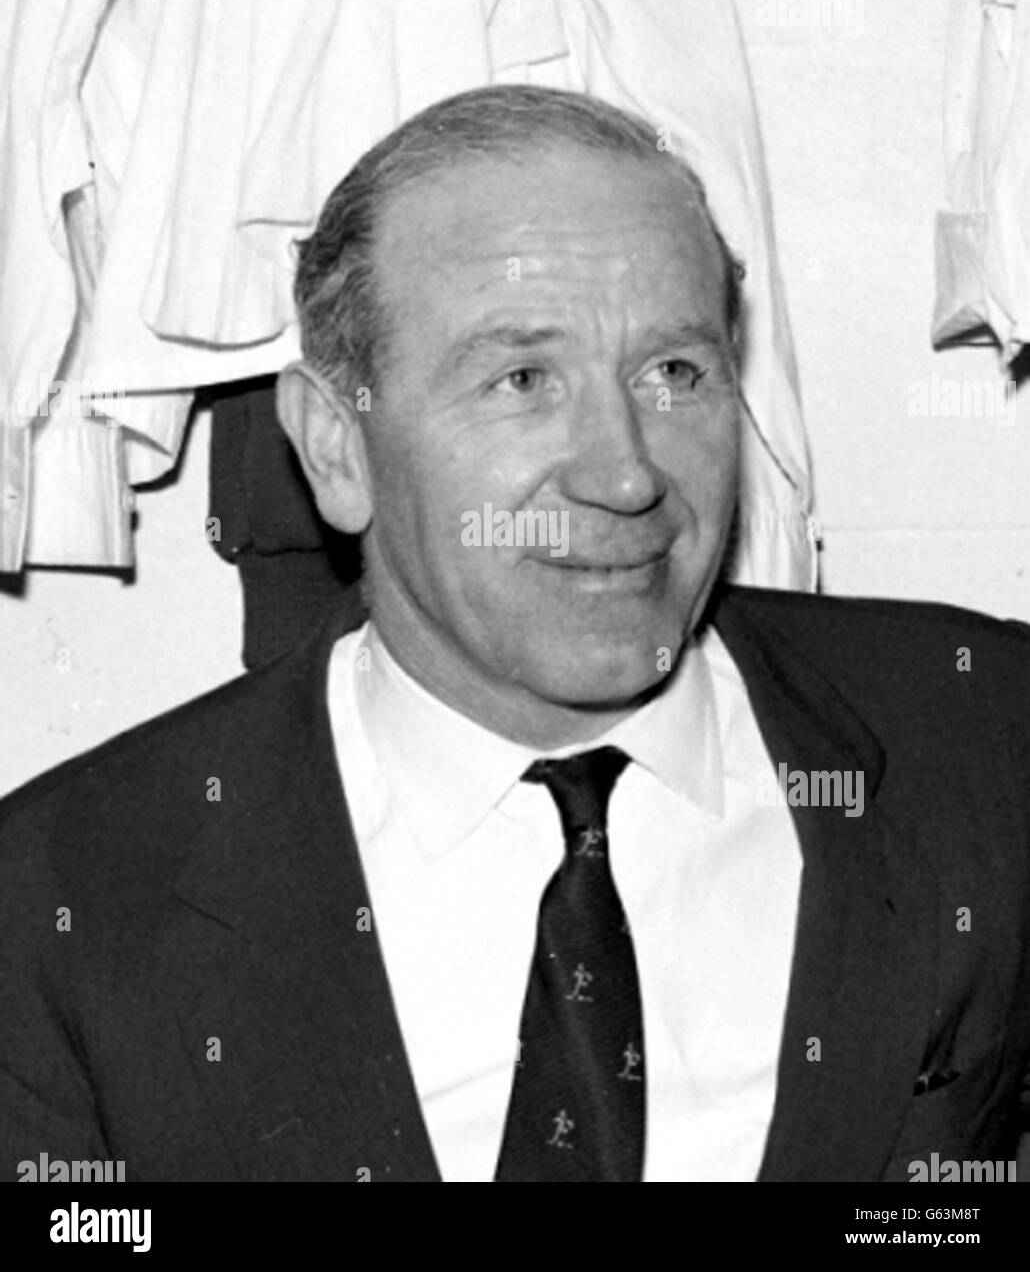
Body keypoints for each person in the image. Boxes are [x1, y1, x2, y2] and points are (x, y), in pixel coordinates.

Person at [1, 85, 1028, 1184]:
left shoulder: (983, 736)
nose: (627, 472)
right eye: (522, 380)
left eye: (672, 372)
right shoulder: (65, 899)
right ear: (336, 445)